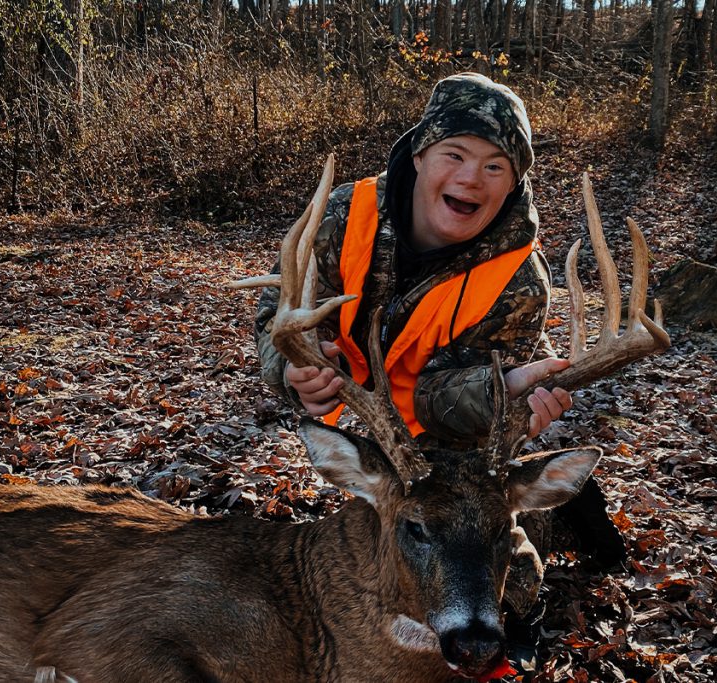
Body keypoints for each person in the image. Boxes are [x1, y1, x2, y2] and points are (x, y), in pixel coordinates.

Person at [254, 72, 623, 635]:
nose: (471, 178)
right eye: (455, 154)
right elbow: (275, 316)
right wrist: (295, 371)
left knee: (500, 571)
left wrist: (508, 390)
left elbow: (445, 395)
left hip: (461, 429)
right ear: (421, 154)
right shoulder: (342, 218)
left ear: (511, 184)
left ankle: (536, 549)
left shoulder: (517, 277)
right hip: (375, 419)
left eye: (496, 166)